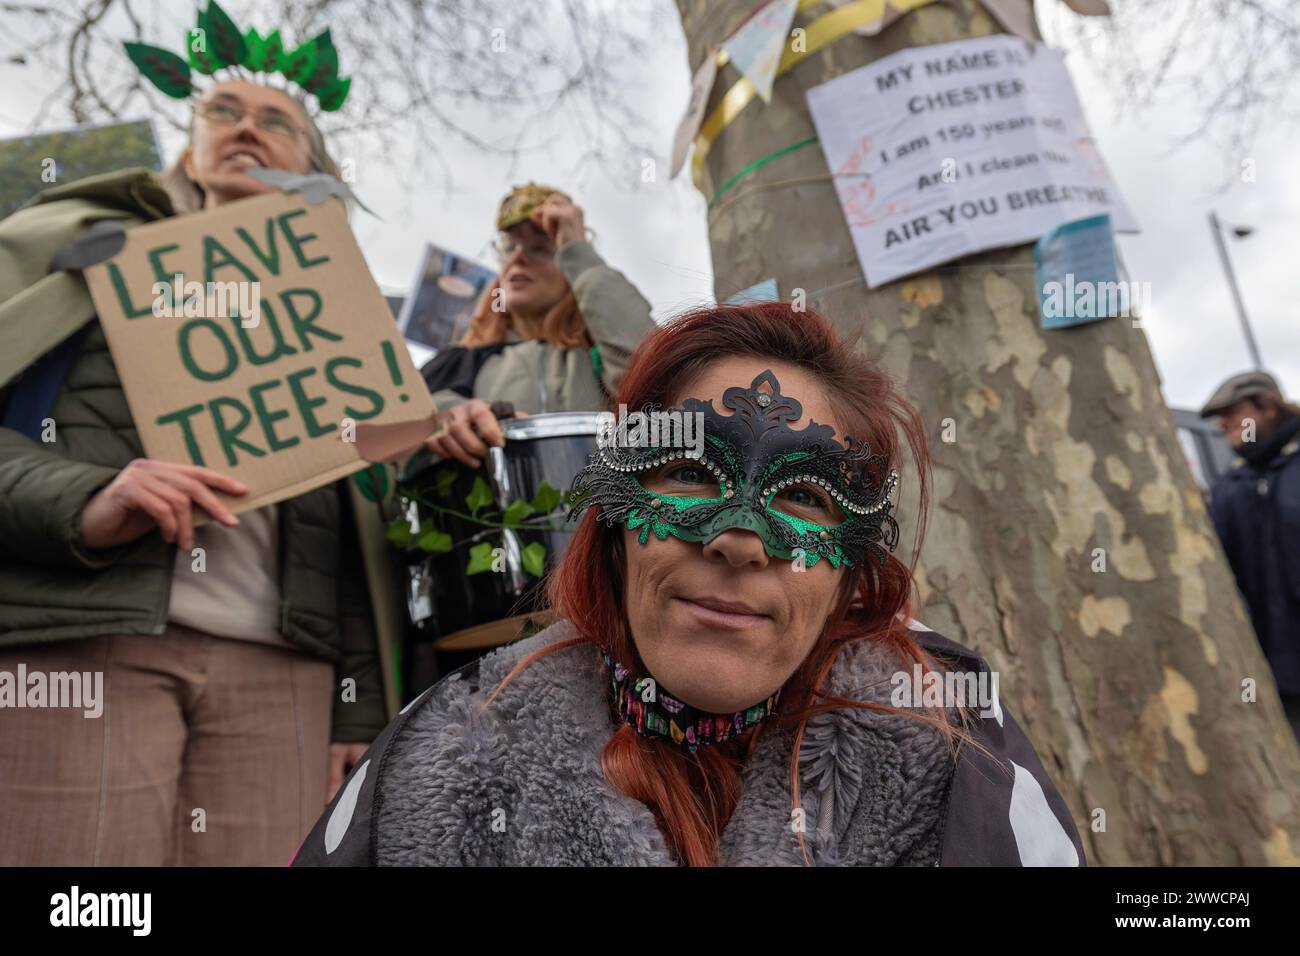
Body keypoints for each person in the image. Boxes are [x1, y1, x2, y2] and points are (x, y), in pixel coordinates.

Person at [293, 302, 1085, 867]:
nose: (738, 539)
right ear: (612, 530)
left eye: (806, 494)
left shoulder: (956, 755)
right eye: (688, 475)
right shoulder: (440, 757)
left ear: (850, 571)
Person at [0, 19, 401, 865]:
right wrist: (86, 503)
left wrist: (357, 711)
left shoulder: (345, 320)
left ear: (313, 167)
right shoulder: (77, 255)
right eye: (223, 108)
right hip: (88, 642)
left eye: (277, 119)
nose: (248, 126)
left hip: (284, 672)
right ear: (189, 146)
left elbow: (359, 528)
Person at [421, 182, 655, 467]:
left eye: (540, 248)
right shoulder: (462, 363)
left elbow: (657, 380)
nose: (518, 258)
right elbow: (402, 423)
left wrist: (578, 252)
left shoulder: (601, 355)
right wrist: (448, 419)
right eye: (508, 248)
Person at [1200, 370, 1300, 739]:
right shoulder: (1228, 491)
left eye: (1232, 411)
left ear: (1268, 405)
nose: (1223, 423)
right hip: (1278, 679)